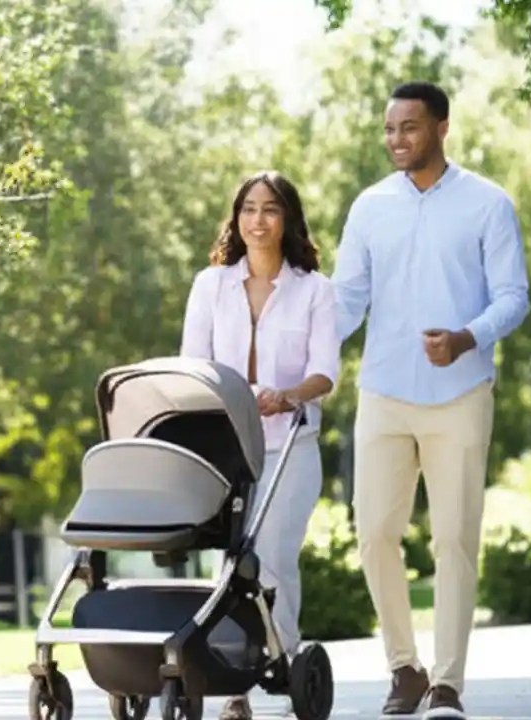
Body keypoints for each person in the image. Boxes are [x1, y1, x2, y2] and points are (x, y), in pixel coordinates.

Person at [331, 81, 531, 720]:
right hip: (383, 392)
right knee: (374, 535)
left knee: (453, 539)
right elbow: (345, 301)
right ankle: (404, 668)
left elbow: (513, 296)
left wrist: (468, 338)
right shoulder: (369, 207)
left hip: (460, 394)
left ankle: (446, 683)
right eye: (389, 129)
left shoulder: (487, 205)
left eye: (409, 128)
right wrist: (294, 351)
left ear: (442, 128)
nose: (397, 140)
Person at [180, 170, 339, 720]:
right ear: (236, 218)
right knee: (229, 565)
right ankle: (234, 686)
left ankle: (283, 658)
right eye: (249, 209)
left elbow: (325, 374)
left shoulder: (315, 291)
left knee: (271, 558)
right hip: (226, 449)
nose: (258, 220)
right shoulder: (211, 285)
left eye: (270, 209)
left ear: (288, 218)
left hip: (290, 445)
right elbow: (192, 364)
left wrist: (287, 395)